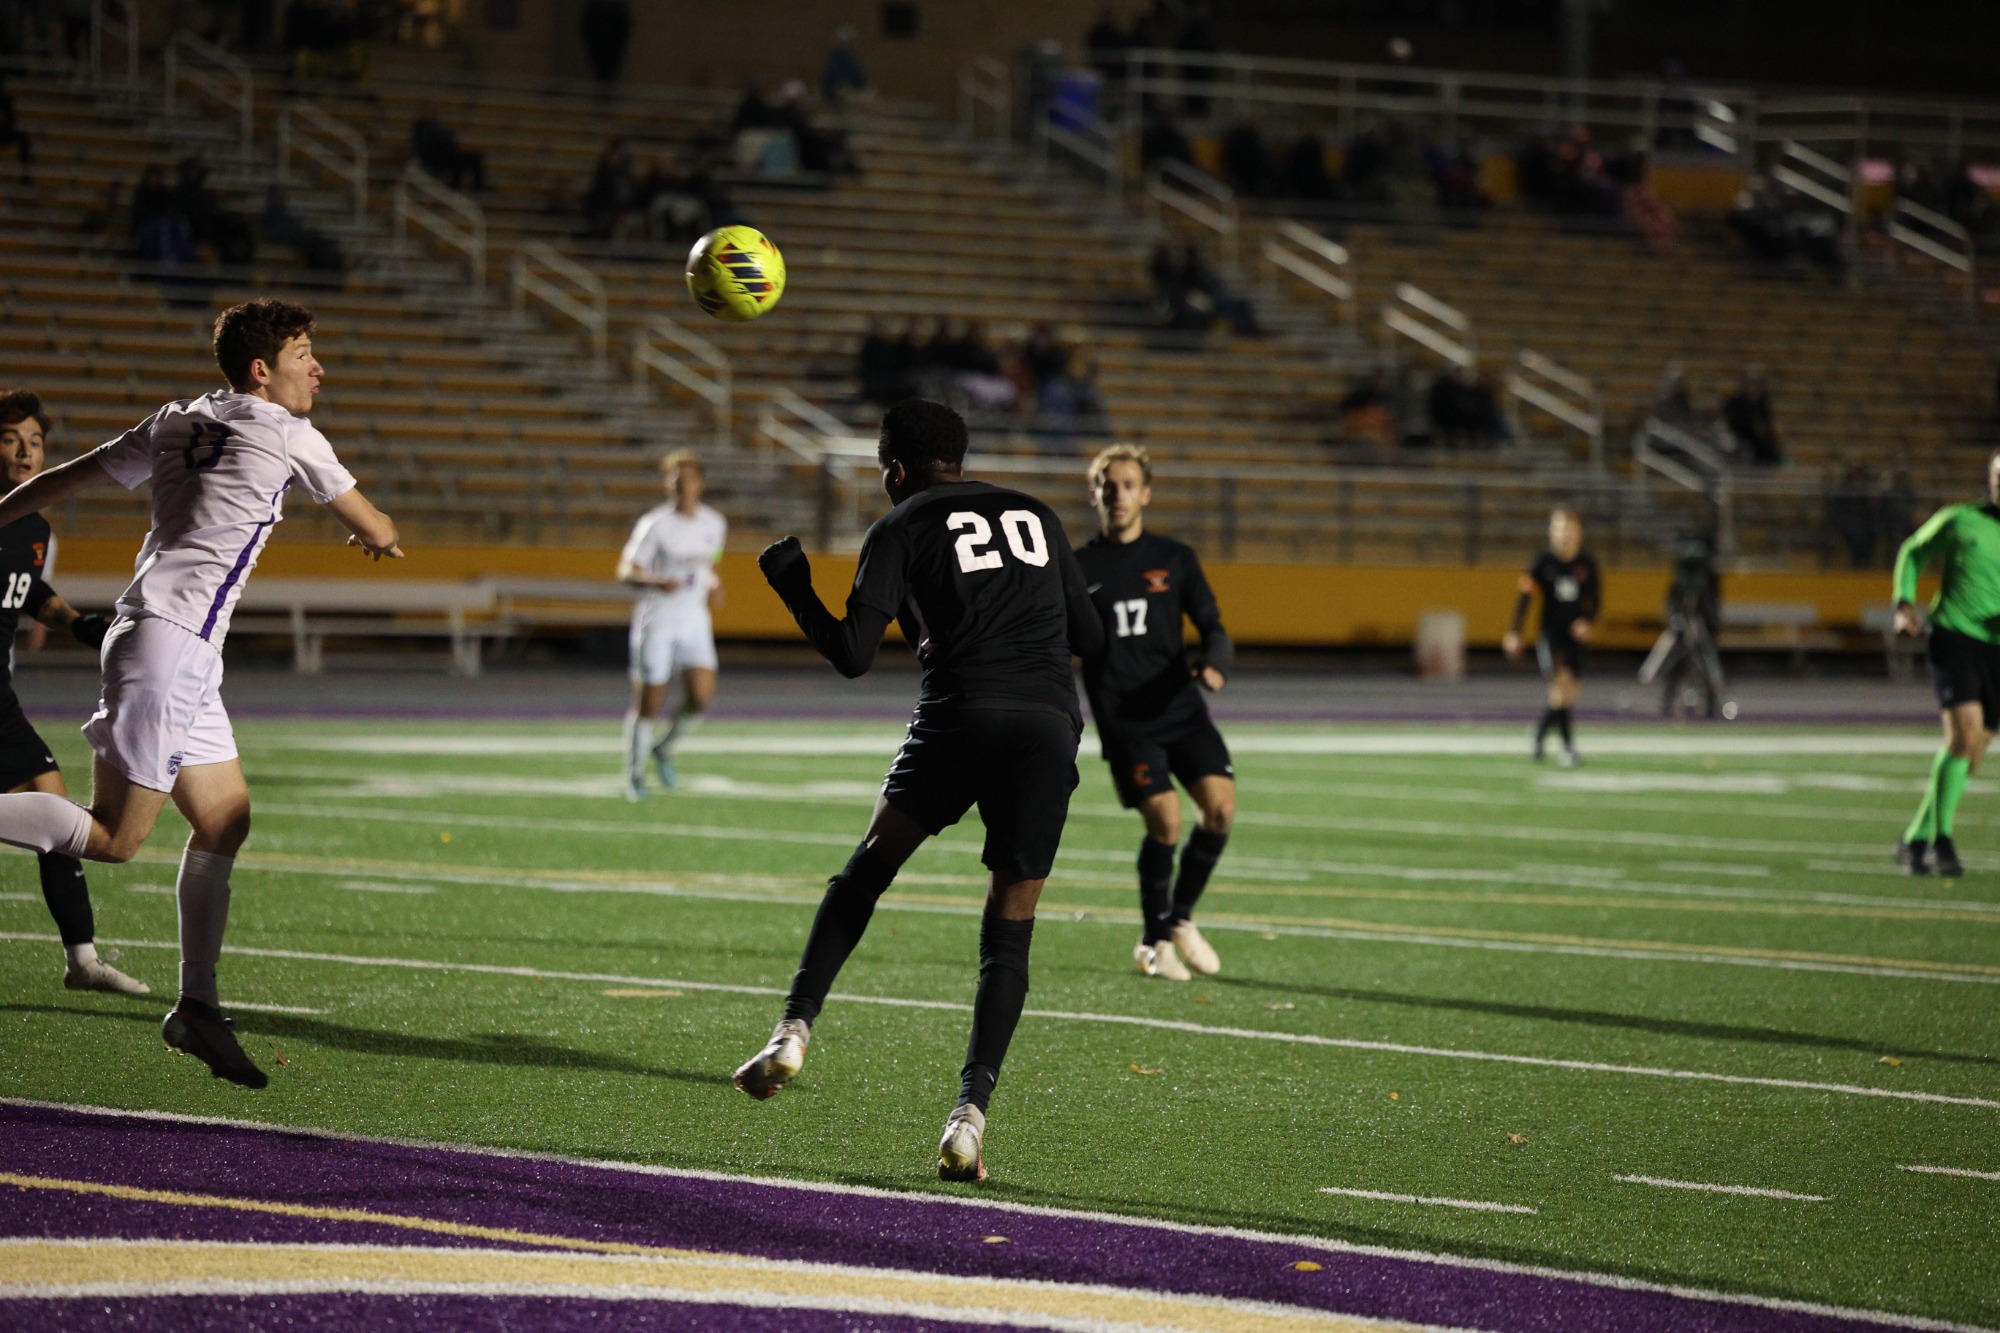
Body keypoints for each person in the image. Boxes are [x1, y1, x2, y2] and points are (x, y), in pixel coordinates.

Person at [0, 298, 402, 1088]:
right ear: (263, 369)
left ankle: (197, 1005)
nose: (317, 367)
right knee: (116, 838)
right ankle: (197, 1003)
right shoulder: (289, 432)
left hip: (164, 639)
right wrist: (371, 530)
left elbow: (62, 479)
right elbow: (382, 528)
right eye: (303, 353)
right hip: (170, 648)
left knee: (225, 817)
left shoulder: (176, 419)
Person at [733, 399, 1103, 1183]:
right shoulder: (1036, 513)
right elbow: (1092, 638)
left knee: (867, 869)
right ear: (960, 458)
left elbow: (852, 653)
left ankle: (792, 1030)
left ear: (895, 469)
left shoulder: (899, 526)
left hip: (961, 713)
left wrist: (793, 584)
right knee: (1011, 924)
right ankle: (969, 1117)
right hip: (1046, 720)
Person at [1073, 444, 1234, 981]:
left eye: (1127, 484)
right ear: (1094, 493)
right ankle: (1154, 940)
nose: (1118, 494)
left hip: (1180, 708)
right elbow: (1055, 642)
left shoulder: (1175, 557)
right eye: (1108, 485)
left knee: (1220, 811)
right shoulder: (1077, 568)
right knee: (1166, 822)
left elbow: (1213, 626)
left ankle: (1180, 918)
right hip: (1125, 719)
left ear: (1146, 493)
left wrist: (1214, 663)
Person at [0, 391, 139, 995]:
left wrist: (84, 626)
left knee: (57, 817)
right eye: (11, 438)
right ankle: (82, 960)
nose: (26, 451)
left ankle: (82, 961)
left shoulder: (31, 523)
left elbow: (31, 595)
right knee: (56, 816)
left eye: (35, 441)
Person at [1890, 451, 2000, 877]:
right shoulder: (1959, 520)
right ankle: (1943, 842)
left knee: (1972, 753)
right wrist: (1904, 604)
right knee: (1963, 737)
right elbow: (1913, 551)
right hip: (1954, 638)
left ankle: (1914, 837)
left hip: (1997, 650)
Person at [616, 451, 725, 798]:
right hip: (657, 621)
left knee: (701, 699)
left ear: (700, 485)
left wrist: (714, 584)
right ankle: (634, 775)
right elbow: (625, 570)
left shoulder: (714, 523)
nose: (680, 486)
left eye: (687, 480)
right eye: (674, 480)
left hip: (694, 621)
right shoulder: (655, 525)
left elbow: (711, 563)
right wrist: (654, 581)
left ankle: (663, 748)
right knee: (649, 703)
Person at [1503, 508, 1599, 766]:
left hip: (1574, 640)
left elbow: (1595, 601)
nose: (1564, 534)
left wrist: (1587, 622)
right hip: (1551, 636)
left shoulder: (1587, 565)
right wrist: (1515, 631)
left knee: (1568, 696)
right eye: (1559, 528)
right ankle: (1567, 748)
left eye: (1569, 528)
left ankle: (1540, 733)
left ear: (1578, 532)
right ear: (1551, 532)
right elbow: (1525, 598)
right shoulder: (1543, 563)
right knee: (1560, 690)